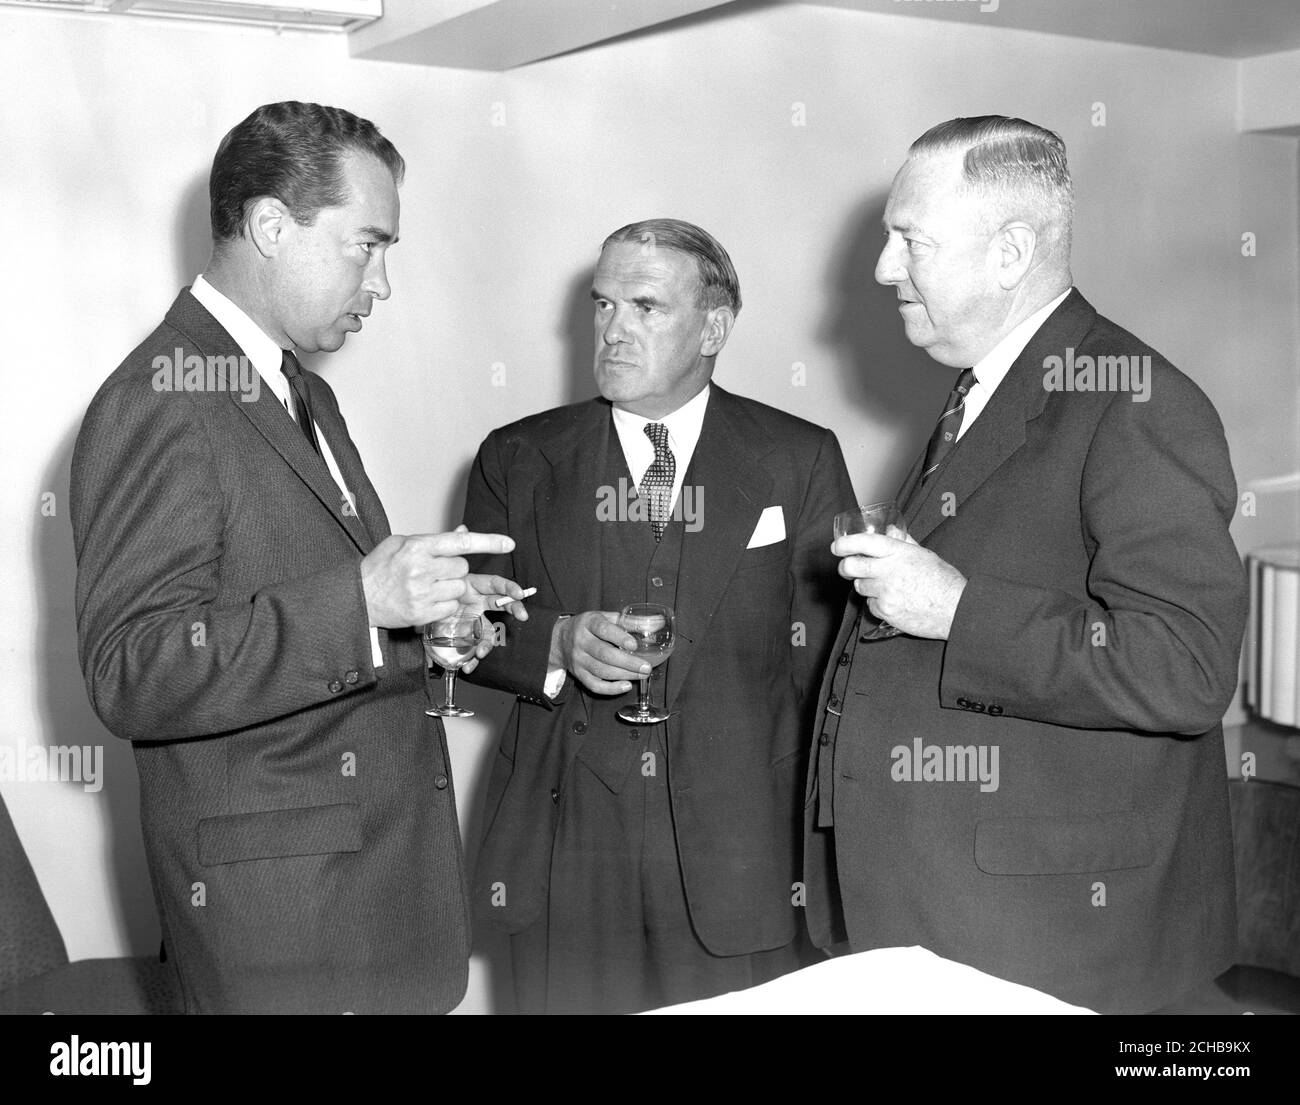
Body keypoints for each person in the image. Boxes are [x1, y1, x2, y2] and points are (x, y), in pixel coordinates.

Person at [69, 101, 523, 1014]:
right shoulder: (160, 396)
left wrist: (420, 628)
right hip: (283, 935)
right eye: (368, 243)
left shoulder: (297, 390)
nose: (383, 282)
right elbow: (131, 670)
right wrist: (360, 600)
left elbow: (295, 608)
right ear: (272, 226)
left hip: (369, 911)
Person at [803, 116, 1248, 1014]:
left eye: (910, 241)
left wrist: (962, 610)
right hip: (950, 911)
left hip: (1053, 938)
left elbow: (1188, 670)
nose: (885, 268)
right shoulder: (987, 386)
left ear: (1010, 252)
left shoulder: (1136, 400)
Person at [462, 218, 856, 1013]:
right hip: (567, 851)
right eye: (603, 305)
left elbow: (834, 668)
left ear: (715, 326)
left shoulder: (798, 457)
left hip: (741, 858)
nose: (613, 330)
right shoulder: (516, 457)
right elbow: (466, 629)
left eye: (646, 306)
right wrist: (558, 643)